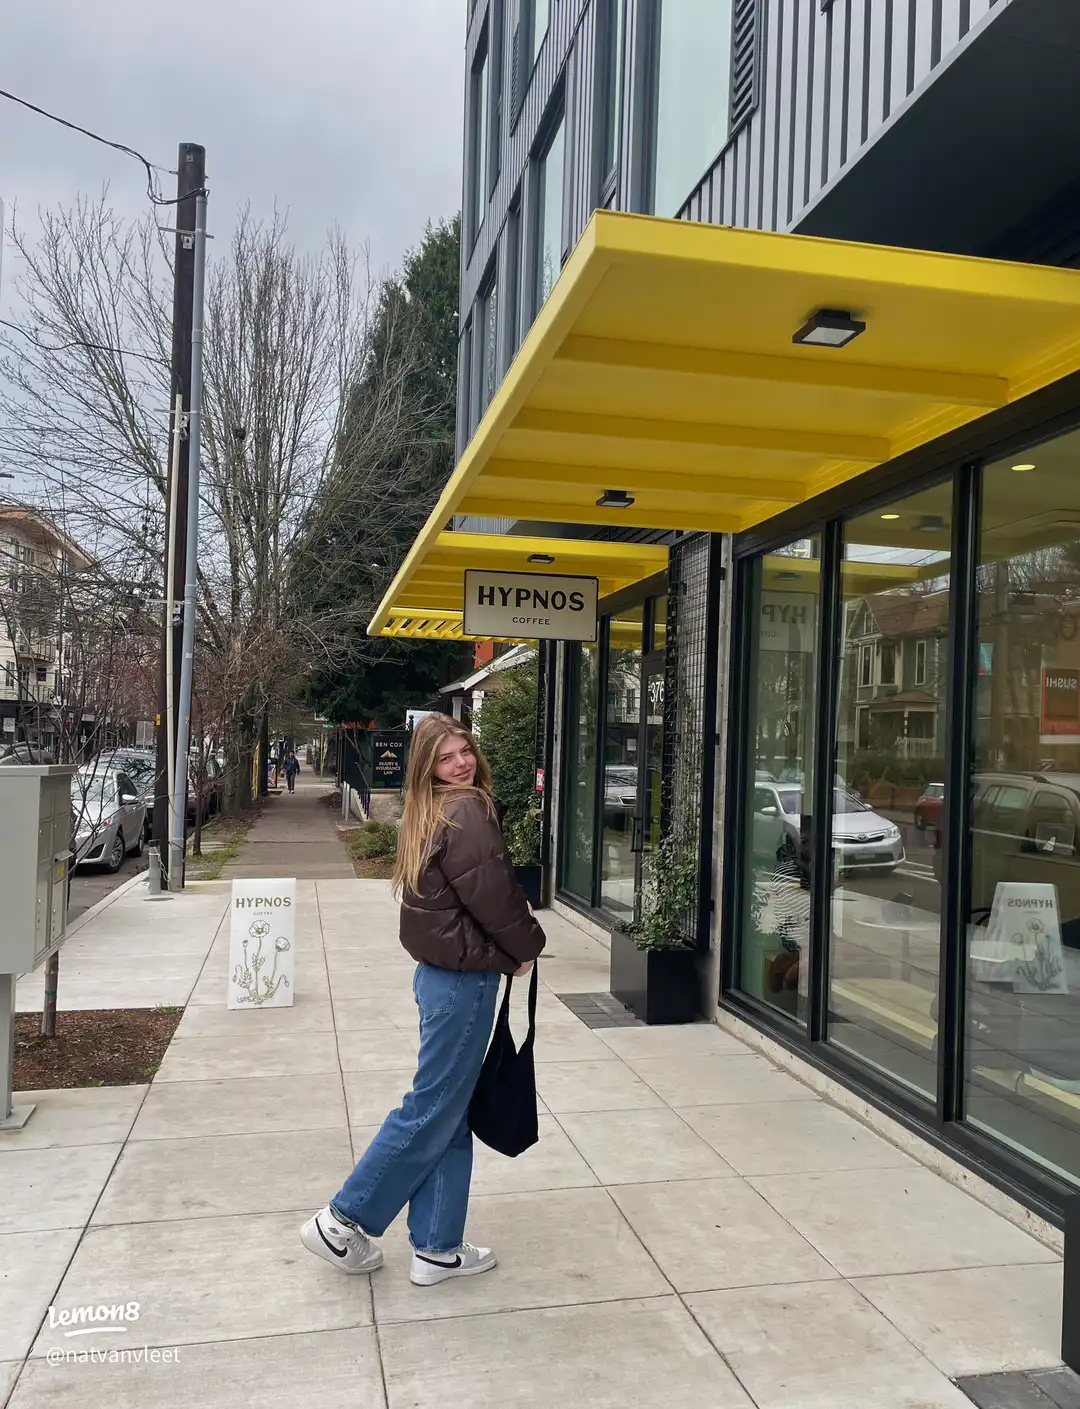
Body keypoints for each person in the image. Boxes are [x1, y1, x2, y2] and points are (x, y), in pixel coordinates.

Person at [300, 713, 545, 1285]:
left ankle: (437, 1246)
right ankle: (342, 1219)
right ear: (428, 767)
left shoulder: (429, 809)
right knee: (432, 1107)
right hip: (461, 982)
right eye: (447, 757)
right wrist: (527, 946)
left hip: (443, 978)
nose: (462, 763)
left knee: (448, 1111)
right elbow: (494, 897)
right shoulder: (466, 810)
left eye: (465, 751)